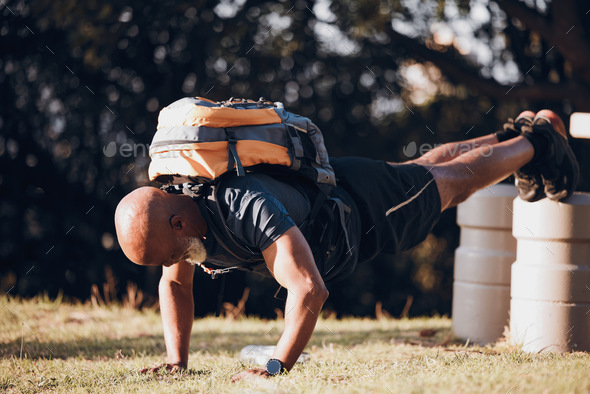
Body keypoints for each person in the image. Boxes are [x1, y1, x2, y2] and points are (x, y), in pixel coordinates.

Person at [114, 107, 579, 382]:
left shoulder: (243, 205)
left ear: (177, 221)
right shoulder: (184, 209)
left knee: (450, 184)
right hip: (345, 186)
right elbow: (174, 287)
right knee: (425, 171)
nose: (175, 264)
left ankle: (538, 145)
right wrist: (177, 360)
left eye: (172, 254)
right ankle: (514, 134)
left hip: (364, 213)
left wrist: (277, 366)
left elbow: (309, 289)